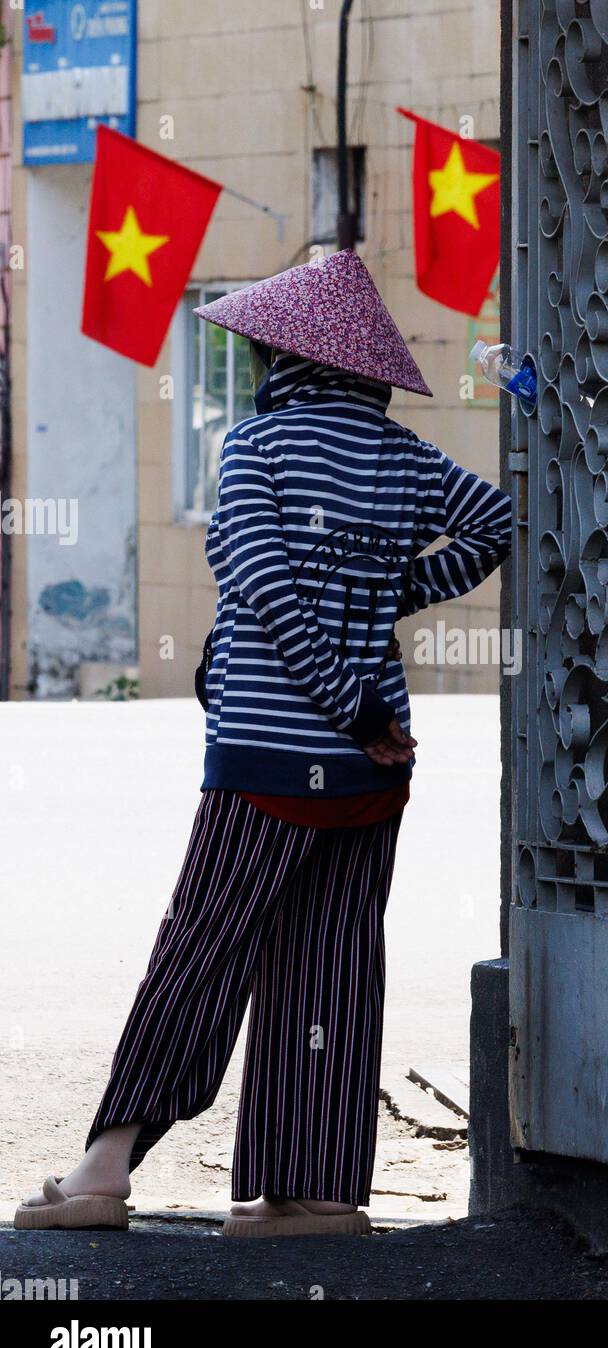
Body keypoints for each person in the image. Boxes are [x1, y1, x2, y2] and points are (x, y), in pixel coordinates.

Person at [16, 249, 512, 1237]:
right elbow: (494, 521)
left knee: (201, 951)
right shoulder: (404, 456)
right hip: (373, 768)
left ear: (287, 361)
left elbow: (265, 594)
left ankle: (106, 1168)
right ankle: (314, 1196)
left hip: (272, 757)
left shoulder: (254, 452)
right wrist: (376, 610)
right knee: (330, 968)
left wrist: (342, 688)